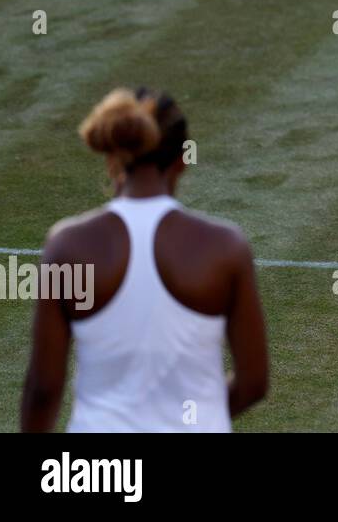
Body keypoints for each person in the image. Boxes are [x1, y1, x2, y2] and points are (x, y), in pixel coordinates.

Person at [21, 87, 269, 430]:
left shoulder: (68, 247)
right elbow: (254, 383)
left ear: (115, 154)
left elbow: (43, 389)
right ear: (182, 161)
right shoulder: (225, 247)